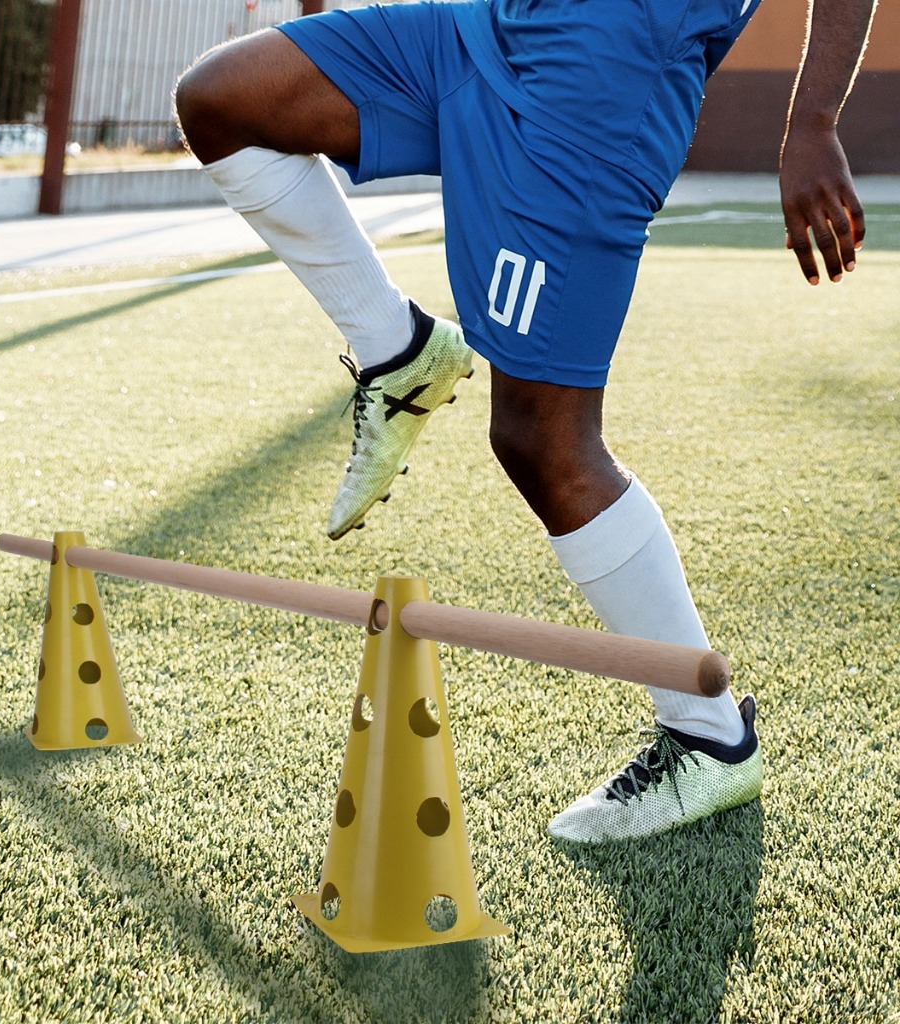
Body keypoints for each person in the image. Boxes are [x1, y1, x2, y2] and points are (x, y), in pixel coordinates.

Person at [175, 0, 877, 843]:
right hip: (486, 28)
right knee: (222, 98)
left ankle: (709, 733)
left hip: (602, 78)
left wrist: (814, 119)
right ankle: (394, 349)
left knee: (542, 440)